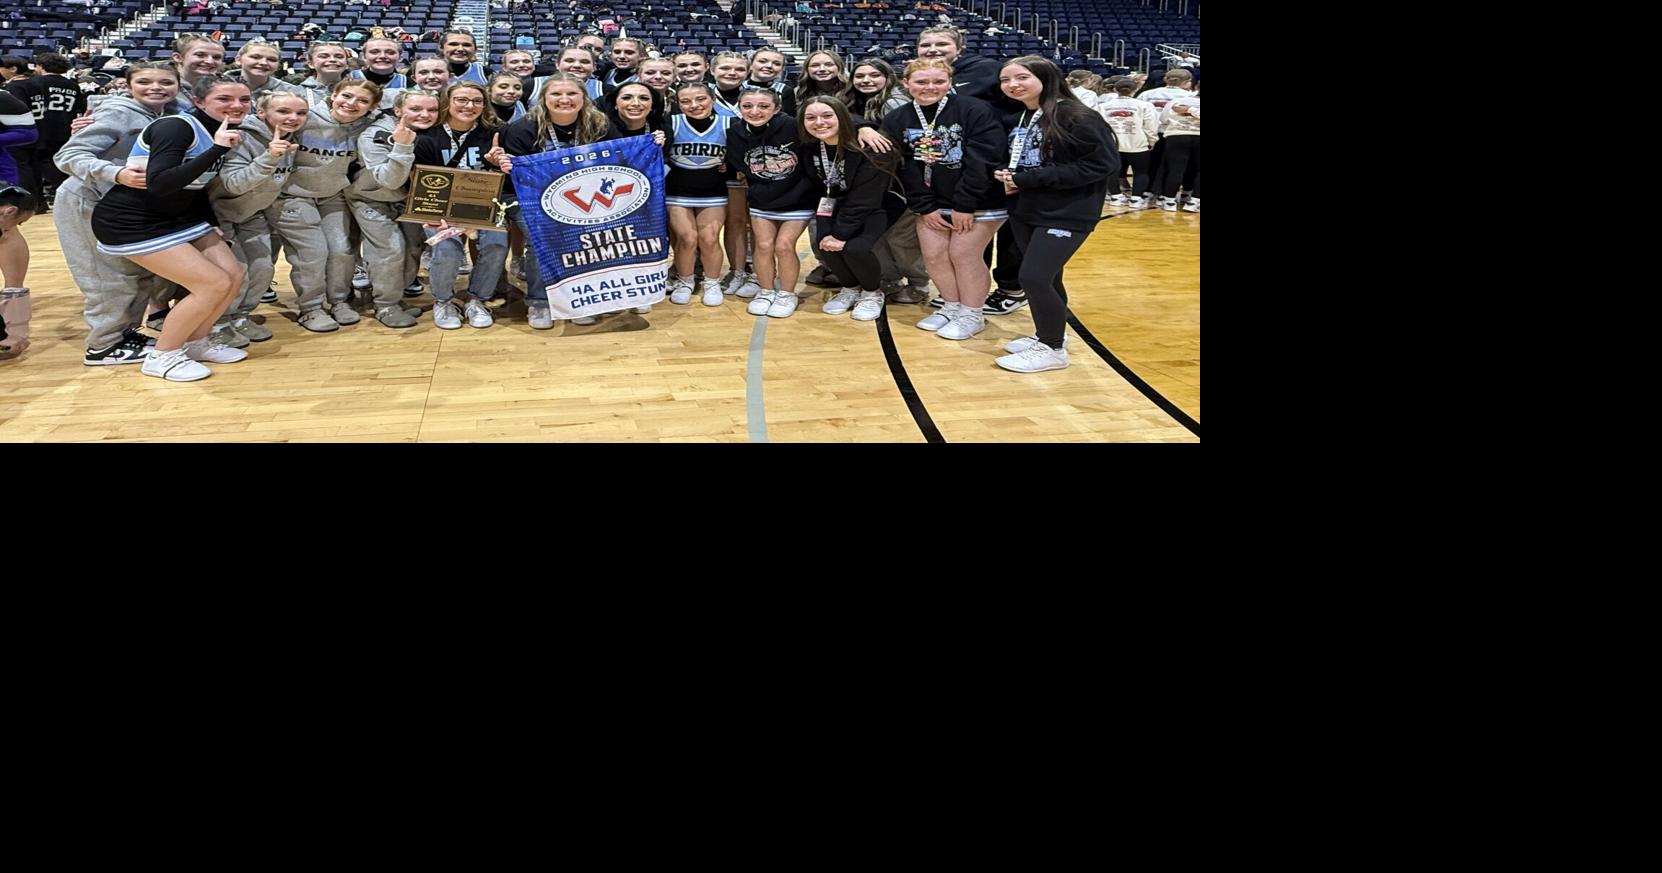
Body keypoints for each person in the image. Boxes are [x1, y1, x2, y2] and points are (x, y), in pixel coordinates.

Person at [90, 74, 252, 381]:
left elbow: (199, 186)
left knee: (233, 276)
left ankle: (196, 343)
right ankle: (163, 356)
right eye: (225, 99)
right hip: (132, 221)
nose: (236, 105)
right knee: (212, 284)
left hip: (180, 217)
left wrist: (211, 224)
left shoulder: (221, 128)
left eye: (244, 100)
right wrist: (216, 150)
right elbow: (160, 184)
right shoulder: (176, 127)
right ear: (199, 101)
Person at [990, 56, 1117, 373]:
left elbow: (1101, 165)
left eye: (1021, 77)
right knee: (1050, 278)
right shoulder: (1027, 115)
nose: (1012, 85)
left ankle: (1052, 349)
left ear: (1046, 77)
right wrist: (1012, 176)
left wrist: (1027, 179)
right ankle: (1049, 334)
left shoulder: (1076, 114)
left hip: (1067, 212)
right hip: (1029, 208)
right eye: (1005, 80)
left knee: (1033, 276)